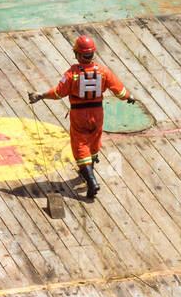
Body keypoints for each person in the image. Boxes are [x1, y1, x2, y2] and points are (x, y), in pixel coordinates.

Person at [28, 35, 135, 201]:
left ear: (77, 54)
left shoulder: (72, 74)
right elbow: (119, 90)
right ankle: (88, 169)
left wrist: (40, 95)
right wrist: (128, 97)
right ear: (93, 54)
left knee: (80, 146)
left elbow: (58, 93)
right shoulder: (104, 71)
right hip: (97, 113)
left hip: (79, 114)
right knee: (94, 140)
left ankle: (91, 181)